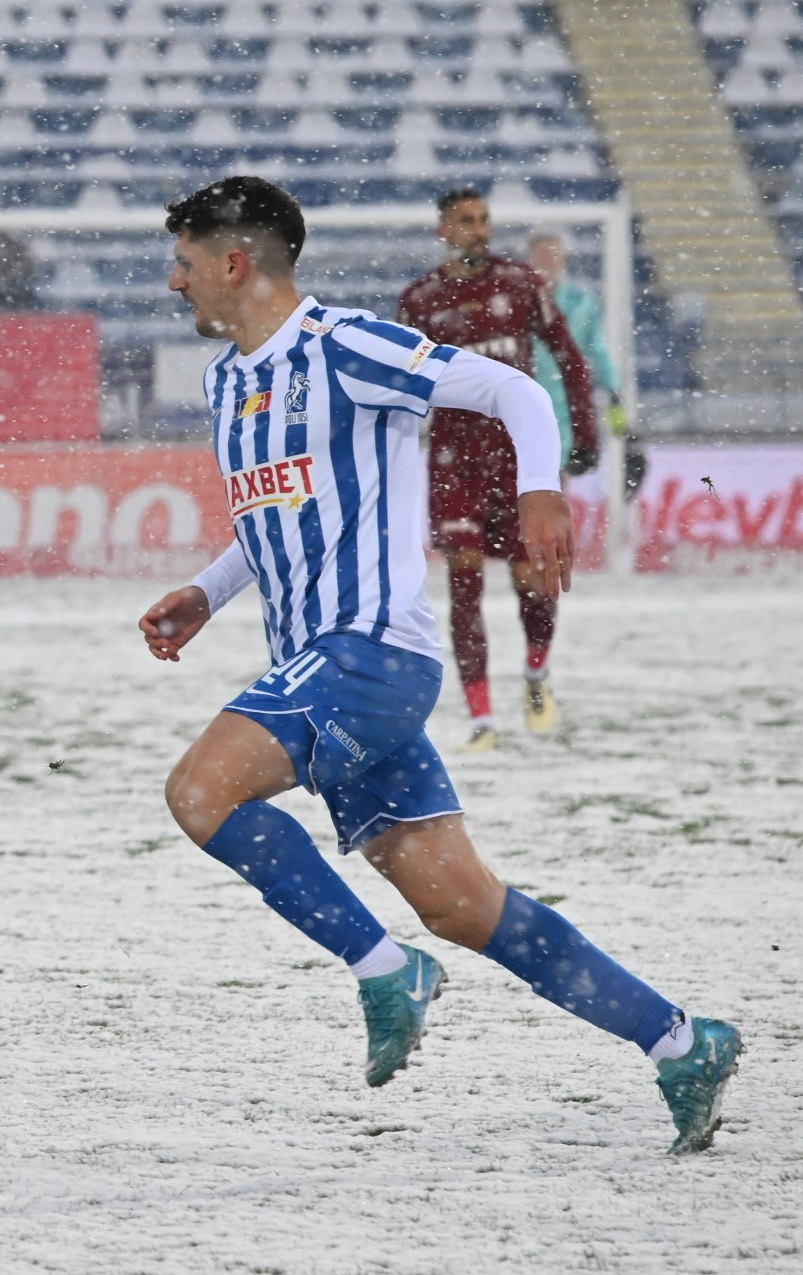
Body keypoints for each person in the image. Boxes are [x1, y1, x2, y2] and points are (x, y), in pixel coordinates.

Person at [139, 176, 740, 1155]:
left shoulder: (346, 346)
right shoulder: (228, 383)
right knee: (463, 904)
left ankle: (386, 972)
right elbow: (274, 517)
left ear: (234, 262)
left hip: (370, 660)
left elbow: (508, 388)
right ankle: (680, 1042)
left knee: (201, 791)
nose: (174, 282)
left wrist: (542, 491)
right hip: (327, 674)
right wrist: (207, 592)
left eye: (185, 261)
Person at [398, 189, 600, 750]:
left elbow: (569, 356)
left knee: (532, 582)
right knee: (463, 585)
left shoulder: (520, 282)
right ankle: (482, 719)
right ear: (444, 229)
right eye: (466, 221)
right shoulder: (420, 300)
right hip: (453, 459)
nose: (479, 230)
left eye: (484, 220)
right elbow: (398, 386)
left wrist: (584, 432)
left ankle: (536, 671)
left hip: (516, 457)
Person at [526, 230, 631, 482]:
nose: (550, 261)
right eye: (543, 255)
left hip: (566, 398)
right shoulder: (520, 300)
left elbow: (598, 348)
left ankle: (556, 519)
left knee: (560, 471)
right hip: (527, 393)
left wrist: (612, 387)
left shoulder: (580, 302)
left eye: (555, 255)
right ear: (531, 258)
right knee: (525, 474)